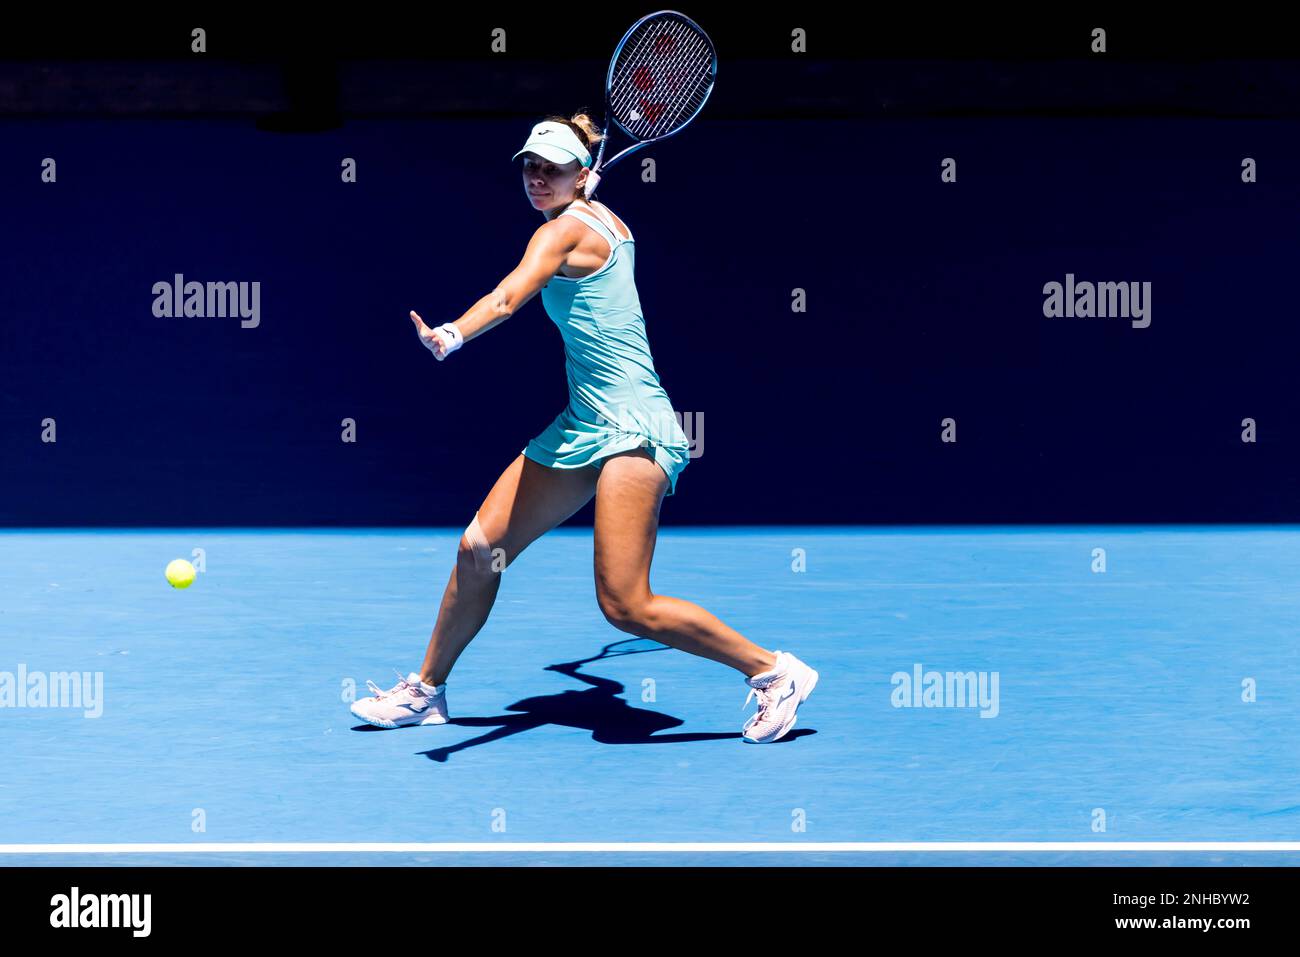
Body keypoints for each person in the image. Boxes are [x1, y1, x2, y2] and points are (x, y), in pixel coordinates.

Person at [351, 114, 818, 743]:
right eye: (530, 167)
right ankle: (425, 691)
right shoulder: (608, 220)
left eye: (553, 169)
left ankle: (773, 672)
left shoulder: (565, 232)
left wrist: (452, 334)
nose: (538, 179)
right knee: (477, 549)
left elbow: (509, 296)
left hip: (632, 429)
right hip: (584, 425)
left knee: (625, 604)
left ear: (581, 174)